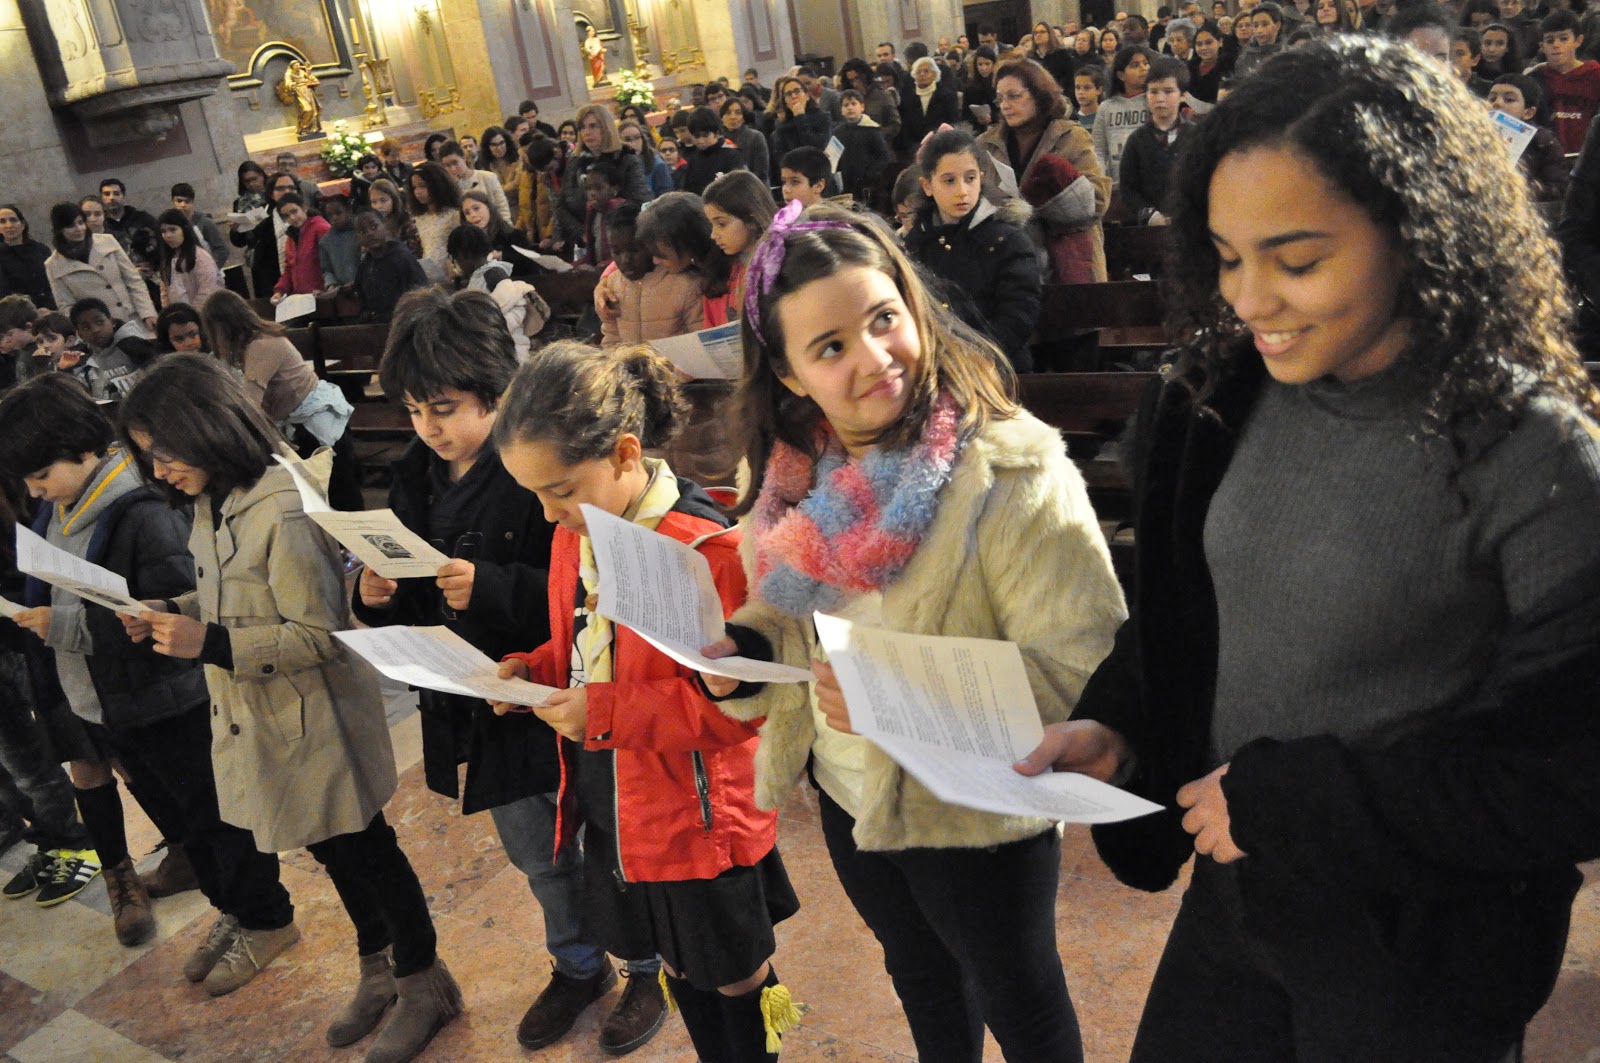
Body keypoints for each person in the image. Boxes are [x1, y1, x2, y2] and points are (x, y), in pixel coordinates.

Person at [1019, 36, 1600, 1063]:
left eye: (1295, 261)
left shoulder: (1532, 453)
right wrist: (1120, 720)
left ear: (1419, 231)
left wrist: (1294, 803)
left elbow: (1565, 778)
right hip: (1236, 900)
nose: (1248, 301)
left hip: (1420, 948)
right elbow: (1189, 615)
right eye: (1227, 258)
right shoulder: (1216, 398)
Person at [699, 199, 1123, 1062]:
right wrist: (744, 656)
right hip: (853, 794)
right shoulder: (794, 468)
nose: (875, 358)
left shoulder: (1006, 468)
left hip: (976, 810)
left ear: (912, 306)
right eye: (830, 348)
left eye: (883, 319)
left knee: (1024, 1003)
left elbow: (1087, 668)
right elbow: (786, 616)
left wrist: (902, 694)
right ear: (787, 374)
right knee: (922, 977)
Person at [119, 355, 463, 1062]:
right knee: (328, 847)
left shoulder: (282, 506)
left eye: (165, 454)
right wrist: (172, 611)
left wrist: (204, 640)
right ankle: (379, 970)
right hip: (268, 718)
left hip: (317, 720)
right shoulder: (214, 500)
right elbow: (232, 601)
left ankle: (424, 980)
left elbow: (317, 633)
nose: (158, 473)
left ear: (207, 429)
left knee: (366, 846)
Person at [352, 290, 663, 1053]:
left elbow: (581, 595)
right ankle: (576, 964)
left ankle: (648, 967)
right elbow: (410, 585)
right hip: (484, 704)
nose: (429, 426)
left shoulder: (538, 469)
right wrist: (375, 595)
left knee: (610, 846)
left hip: (558, 690)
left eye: (446, 407)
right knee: (538, 855)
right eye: (415, 409)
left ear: (497, 393)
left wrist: (489, 585)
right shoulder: (416, 477)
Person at [489, 342, 800, 1063]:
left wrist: (601, 710)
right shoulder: (581, 531)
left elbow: (732, 710)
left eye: (561, 489)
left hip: (698, 815)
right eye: (534, 494)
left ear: (626, 453)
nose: (547, 513)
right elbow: (582, 640)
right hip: (621, 804)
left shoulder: (702, 547)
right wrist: (531, 667)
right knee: (679, 965)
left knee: (741, 977)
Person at [0, 374, 297, 979]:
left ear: (81, 447)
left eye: (39, 476)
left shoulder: (141, 511)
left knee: (219, 820)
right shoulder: (68, 507)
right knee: (184, 826)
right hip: (116, 704)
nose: (35, 493)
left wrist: (61, 625)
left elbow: (166, 619)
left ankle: (268, 919)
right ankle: (233, 911)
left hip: (171, 701)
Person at [200, 291, 361, 511]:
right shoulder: (248, 346)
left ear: (223, 327)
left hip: (316, 426)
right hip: (298, 423)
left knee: (338, 495)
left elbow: (250, 404)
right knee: (318, 498)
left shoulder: (261, 345)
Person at [905, 130, 1042, 370]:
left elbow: (1019, 313)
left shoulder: (1008, 240)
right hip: (935, 368)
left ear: (981, 177)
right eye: (949, 180)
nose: (962, 191)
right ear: (927, 185)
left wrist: (974, 359)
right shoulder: (916, 243)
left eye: (970, 179)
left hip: (997, 368)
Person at [980, 58, 1113, 282]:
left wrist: (1033, 207)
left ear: (1039, 95)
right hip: (1012, 264)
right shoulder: (987, 143)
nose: (1005, 105)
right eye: (1000, 98)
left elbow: (1098, 200)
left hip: (1067, 258)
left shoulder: (1072, 137)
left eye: (1014, 96)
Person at [46, 204, 156, 335]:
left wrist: (147, 313)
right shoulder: (54, 264)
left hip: (134, 319)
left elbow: (134, 281)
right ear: (60, 230)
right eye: (71, 226)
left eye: (81, 222)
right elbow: (66, 306)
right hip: (99, 331)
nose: (79, 229)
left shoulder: (106, 241)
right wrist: (87, 330)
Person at [555, 105, 651, 252]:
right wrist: (582, 232)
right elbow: (561, 205)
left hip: (620, 240)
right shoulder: (575, 162)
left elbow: (638, 201)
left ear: (606, 127)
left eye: (593, 126)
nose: (587, 132)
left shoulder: (626, 159)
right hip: (583, 242)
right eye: (582, 127)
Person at [445, 226, 550, 360]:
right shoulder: (478, 276)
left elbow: (515, 304)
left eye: (457, 260)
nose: (458, 266)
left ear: (463, 255)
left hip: (510, 349)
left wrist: (489, 328)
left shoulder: (493, 273)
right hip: (497, 347)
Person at [1118, 56, 1196, 224]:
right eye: (1153, 91)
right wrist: (1151, 215)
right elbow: (1128, 188)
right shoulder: (1137, 140)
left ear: (1182, 96)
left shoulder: (1197, 137)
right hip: (1150, 231)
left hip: (1189, 226)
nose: (1160, 98)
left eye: (1168, 91)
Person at [701, 170, 775, 326]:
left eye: (721, 224)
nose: (713, 235)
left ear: (751, 219)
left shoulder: (784, 266)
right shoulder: (723, 270)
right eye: (711, 225)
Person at [1491, 75, 1572, 203]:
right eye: (1492, 98)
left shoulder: (1543, 141)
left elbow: (1559, 189)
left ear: (1528, 112)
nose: (1497, 103)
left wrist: (1519, 190)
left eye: (1509, 99)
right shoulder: (1475, 135)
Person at [1531, 10, 1600, 153]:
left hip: (1588, 162)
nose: (1556, 45)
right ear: (1542, 46)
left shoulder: (1595, 76)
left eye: (1563, 39)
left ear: (1578, 40)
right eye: (1549, 40)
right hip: (1547, 159)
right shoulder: (1534, 78)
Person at [65, 298, 158, 400]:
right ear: (80, 335)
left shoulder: (133, 345)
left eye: (100, 322)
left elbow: (158, 377)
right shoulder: (85, 359)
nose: (95, 330)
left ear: (112, 321)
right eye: (86, 328)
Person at [347, 209, 428, 324]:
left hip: (406, 323)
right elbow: (363, 300)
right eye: (362, 231)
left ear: (384, 225)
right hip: (377, 327)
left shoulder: (401, 257)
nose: (370, 233)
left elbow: (420, 292)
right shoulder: (365, 265)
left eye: (374, 227)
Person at [1092, 46, 1157, 186]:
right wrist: (1102, 183)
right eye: (1135, 65)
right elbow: (1099, 151)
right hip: (1117, 183)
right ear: (1121, 75)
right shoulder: (1106, 107)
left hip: (1150, 183)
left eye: (1146, 63)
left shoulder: (1154, 102)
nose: (1144, 68)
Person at [230, 170, 297, 300]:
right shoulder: (263, 215)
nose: (287, 192)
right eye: (281, 188)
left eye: (291, 187)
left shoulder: (307, 213)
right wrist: (237, 229)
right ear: (271, 193)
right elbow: (239, 240)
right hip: (275, 279)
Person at [268, 194, 331, 306]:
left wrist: (328, 288)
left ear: (304, 208)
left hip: (323, 297)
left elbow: (332, 262)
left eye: (294, 211)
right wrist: (279, 291)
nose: (292, 218)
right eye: (286, 216)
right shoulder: (291, 237)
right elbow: (289, 268)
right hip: (303, 300)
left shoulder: (320, 227)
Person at [155, 208, 224, 309]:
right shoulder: (167, 260)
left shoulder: (200, 257)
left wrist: (191, 316)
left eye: (173, 229)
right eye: (163, 231)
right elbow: (165, 292)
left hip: (204, 314)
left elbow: (207, 290)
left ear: (184, 229)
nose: (167, 235)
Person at [459, 190, 537, 280]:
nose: (473, 215)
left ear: (489, 207)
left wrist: (501, 256)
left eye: (476, 208)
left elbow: (530, 265)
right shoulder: (467, 242)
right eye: (467, 213)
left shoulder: (513, 235)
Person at [768, 76, 835, 179]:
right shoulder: (781, 127)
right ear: (785, 101)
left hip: (819, 176)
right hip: (795, 178)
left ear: (807, 95)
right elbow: (782, 160)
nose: (794, 96)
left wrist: (800, 117)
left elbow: (816, 148)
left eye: (797, 91)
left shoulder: (822, 118)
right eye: (789, 94)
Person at [832, 91, 893, 203]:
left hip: (868, 184)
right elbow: (833, 156)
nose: (850, 108)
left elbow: (884, 157)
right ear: (841, 110)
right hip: (845, 182)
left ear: (862, 107)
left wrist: (870, 173)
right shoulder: (838, 132)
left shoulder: (871, 130)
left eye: (853, 104)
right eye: (846, 105)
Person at [408, 161, 464, 284]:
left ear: (437, 185)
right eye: (414, 187)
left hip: (453, 275)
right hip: (429, 276)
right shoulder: (419, 217)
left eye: (423, 186)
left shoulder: (454, 214)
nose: (418, 192)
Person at [439, 141, 512, 227]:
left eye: (455, 163)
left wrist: (505, 228)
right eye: (447, 166)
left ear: (464, 158)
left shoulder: (488, 177)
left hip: (496, 228)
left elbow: (502, 207)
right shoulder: (450, 188)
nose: (453, 168)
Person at [680, 107, 747, 195]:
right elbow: (688, 190)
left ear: (716, 133)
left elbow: (741, 187)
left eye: (705, 135)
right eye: (696, 136)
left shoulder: (731, 155)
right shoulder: (693, 158)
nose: (701, 140)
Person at [0, 205, 57, 309]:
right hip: (13, 312)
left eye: (13, 220)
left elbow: (53, 283)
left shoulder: (41, 250)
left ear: (22, 224)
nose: (9, 225)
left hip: (48, 308)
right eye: (2, 221)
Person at [901, 57, 962, 148]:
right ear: (914, 76)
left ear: (935, 74)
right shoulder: (907, 97)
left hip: (941, 144)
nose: (922, 74)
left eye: (926, 71)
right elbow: (905, 125)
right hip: (914, 146)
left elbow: (953, 121)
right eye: (918, 72)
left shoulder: (947, 95)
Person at [839, 57, 903, 145]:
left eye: (857, 78)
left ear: (865, 75)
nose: (855, 83)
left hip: (880, 147)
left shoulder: (884, 95)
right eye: (851, 81)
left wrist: (874, 133)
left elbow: (895, 125)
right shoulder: (849, 99)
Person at [581, 160, 628, 270]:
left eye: (598, 188)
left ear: (614, 189)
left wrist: (599, 268)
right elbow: (591, 250)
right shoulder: (593, 213)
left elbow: (624, 254)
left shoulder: (622, 213)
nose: (592, 193)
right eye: (589, 189)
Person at [517, 136, 562, 249]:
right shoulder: (527, 176)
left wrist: (552, 236)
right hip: (538, 234)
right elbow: (525, 209)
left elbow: (556, 208)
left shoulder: (551, 174)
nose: (524, 158)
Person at [368, 177, 426, 263]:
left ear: (393, 199)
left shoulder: (407, 223)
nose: (378, 206)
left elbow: (415, 256)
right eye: (374, 202)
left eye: (383, 200)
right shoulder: (372, 225)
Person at [170, 183, 228, 267]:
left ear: (192, 202)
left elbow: (222, 250)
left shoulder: (205, 223)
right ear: (173, 201)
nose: (183, 205)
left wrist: (211, 269)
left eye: (187, 201)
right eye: (179, 201)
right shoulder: (169, 226)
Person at [718, 100, 771, 188]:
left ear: (744, 117)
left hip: (755, 189)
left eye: (738, 113)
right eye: (728, 113)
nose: (733, 117)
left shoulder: (756, 137)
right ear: (721, 117)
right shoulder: (718, 140)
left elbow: (761, 172)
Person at [476, 126, 522, 219]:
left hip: (519, 208)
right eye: (494, 144)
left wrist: (497, 190)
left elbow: (518, 183)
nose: (499, 148)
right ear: (487, 147)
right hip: (498, 213)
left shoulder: (517, 159)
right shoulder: (485, 165)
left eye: (502, 143)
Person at [621, 119, 674, 198]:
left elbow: (666, 197)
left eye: (637, 137)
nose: (634, 143)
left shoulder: (657, 164)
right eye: (627, 140)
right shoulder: (617, 163)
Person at [317, 195, 360, 289]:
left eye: (338, 213)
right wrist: (331, 284)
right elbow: (326, 270)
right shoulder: (325, 241)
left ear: (349, 211)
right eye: (330, 215)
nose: (334, 218)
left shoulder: (361, 232)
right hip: (343, 291)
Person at [1189, 19, 1235, 101]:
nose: (1203, 48)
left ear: (1220, 42)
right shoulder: (1189, 67)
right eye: (1199, 44)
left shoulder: (1229, 66)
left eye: (1208, 42)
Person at [1027, 20, 1079, 88]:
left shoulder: (1062, 55)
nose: (1038, 35)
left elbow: (1069, 79)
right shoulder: (1030, 56)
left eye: (1042, 32)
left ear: (1050, 34)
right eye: (1035, 33)